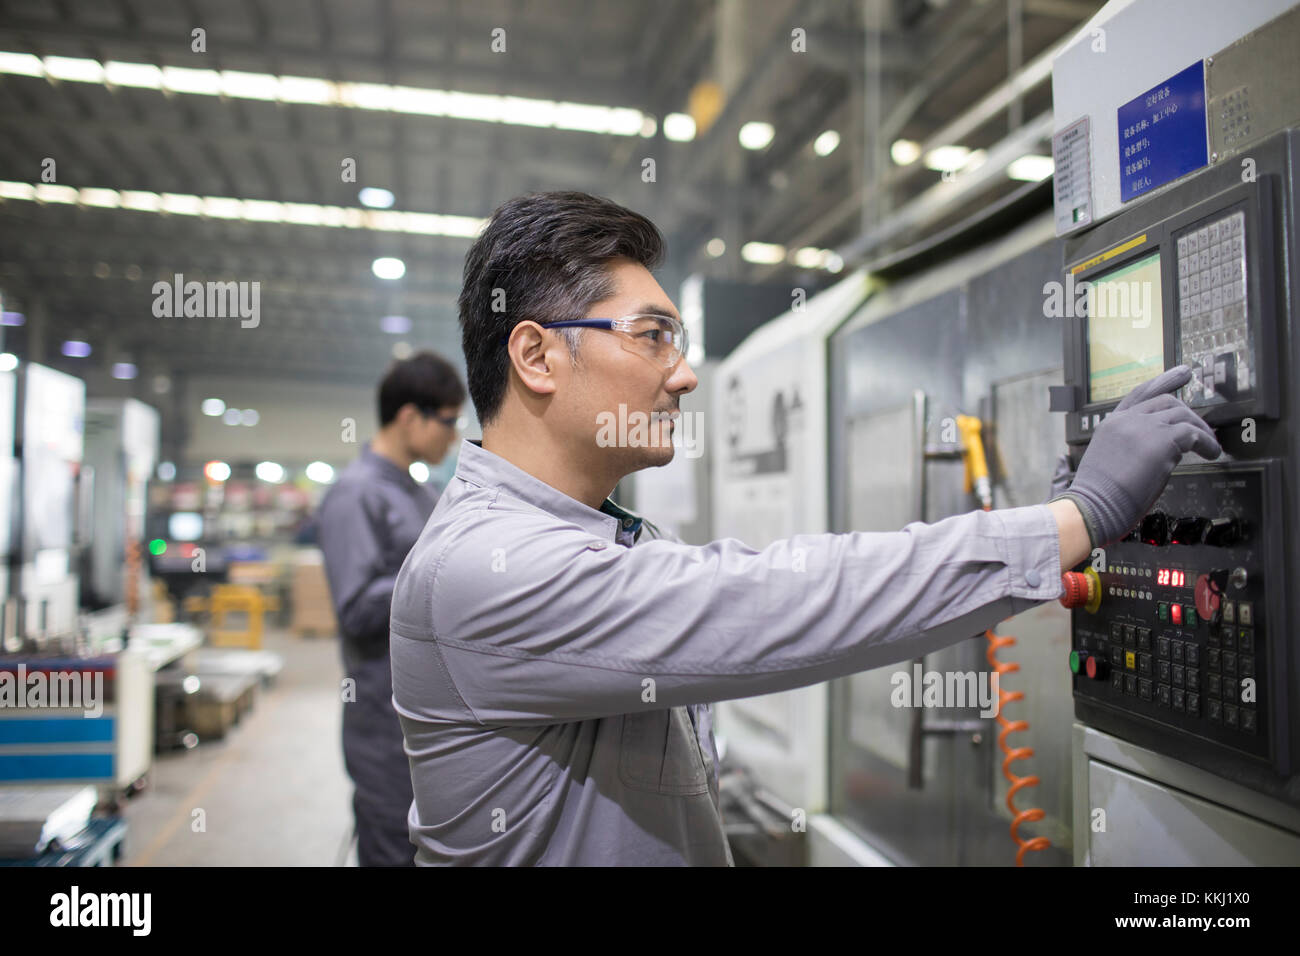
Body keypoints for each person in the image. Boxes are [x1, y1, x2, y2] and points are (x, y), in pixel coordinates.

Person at [389, 191, 1221, 865]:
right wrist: (1077, 520)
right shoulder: (489, 568)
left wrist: (1049, 529)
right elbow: (790, 595)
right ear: (536, 357)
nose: (682, 375)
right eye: (651, 337)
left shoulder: (600, 537)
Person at [317, 351, 465, 866]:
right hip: (383, 724)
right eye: (447, 421)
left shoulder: (422, 492)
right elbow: (356, 610)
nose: (454, 435)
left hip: (431, 716)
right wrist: (439, 573)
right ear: (409, 417)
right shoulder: (355, 496)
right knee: (391, 848)